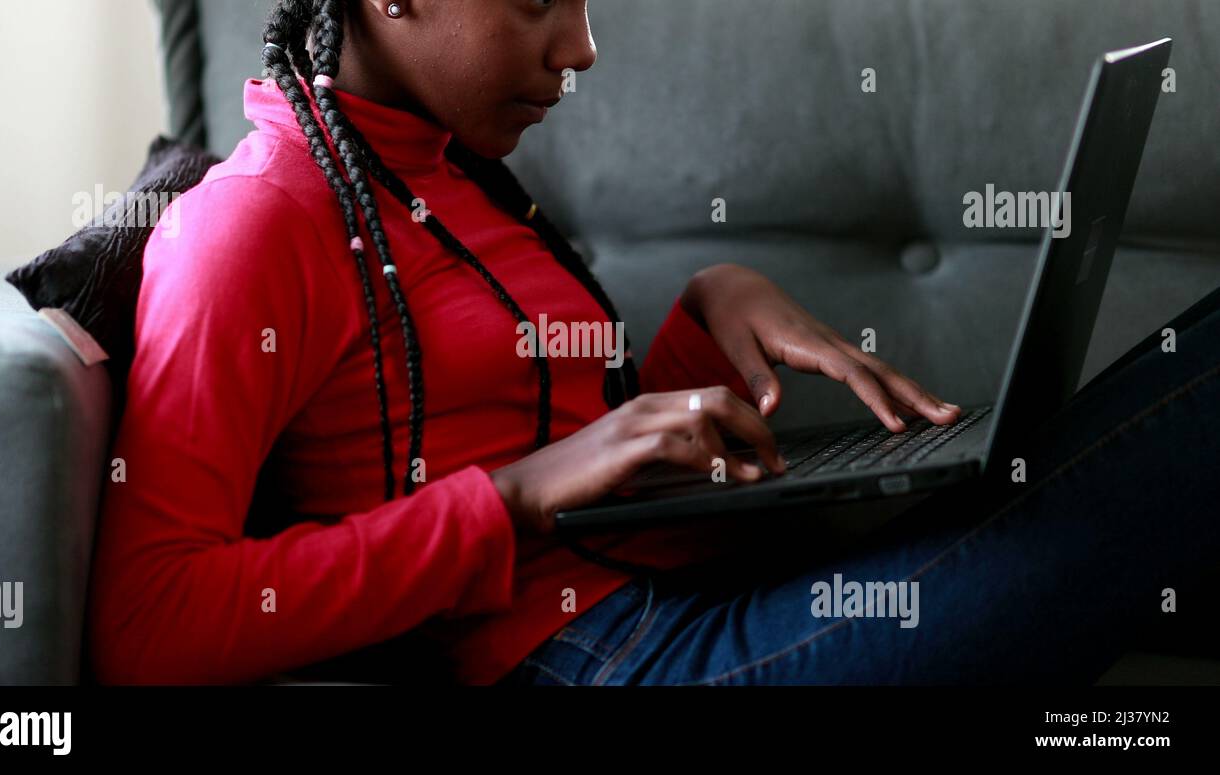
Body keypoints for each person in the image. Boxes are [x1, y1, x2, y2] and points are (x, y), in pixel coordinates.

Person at [86, 0, 1219, 685]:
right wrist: (510, 498)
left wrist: (702, 327)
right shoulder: (254, 223)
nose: (579, 45)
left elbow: (578, 457)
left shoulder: (446, 175)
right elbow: (145, 624)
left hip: (708, 591)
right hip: (621, 661)